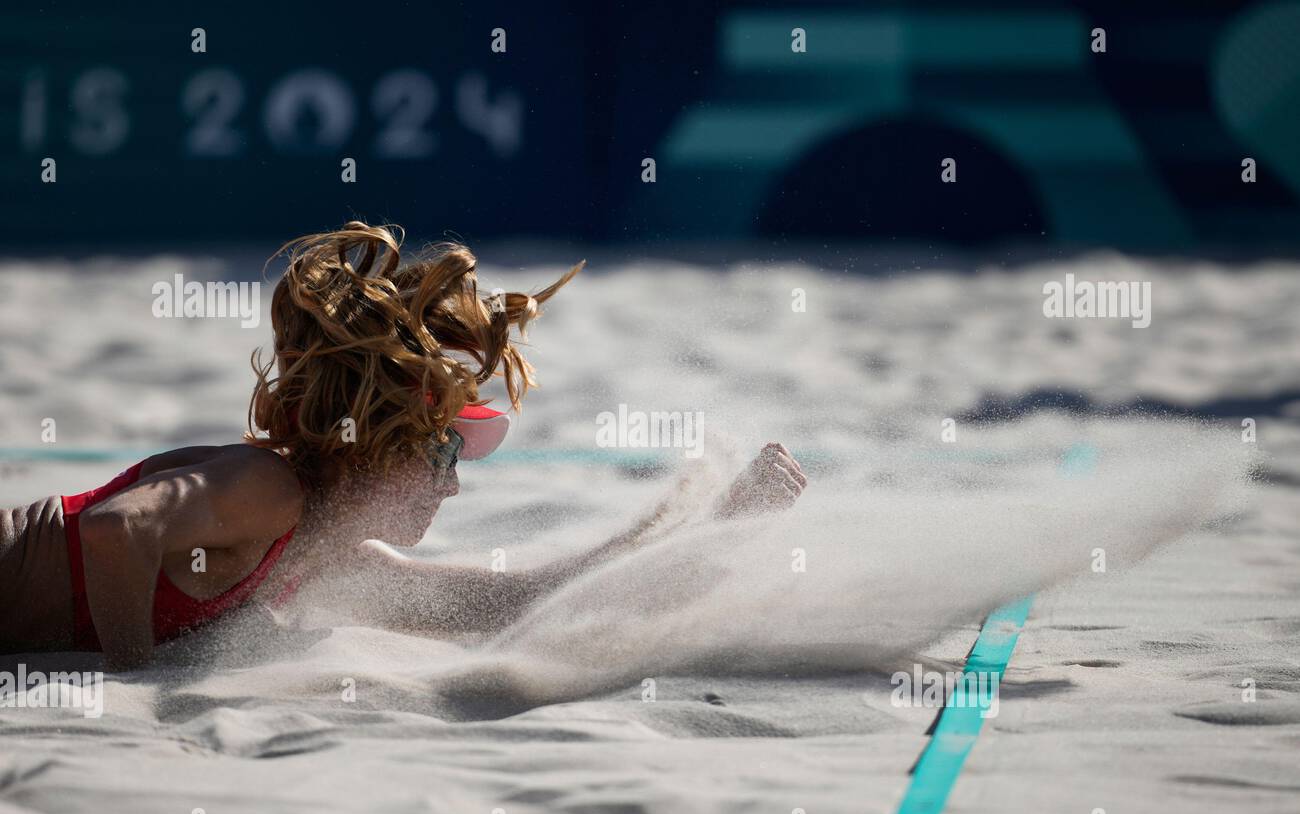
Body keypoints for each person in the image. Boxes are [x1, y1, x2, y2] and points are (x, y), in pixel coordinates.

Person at [0, 222, 807, 669]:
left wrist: (711, 529)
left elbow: (516, 603)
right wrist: (138, 680)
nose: (453, 486)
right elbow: (115, 531)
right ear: (380, 446)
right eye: (445, 455)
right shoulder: (268, 486)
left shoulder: (323, 547)